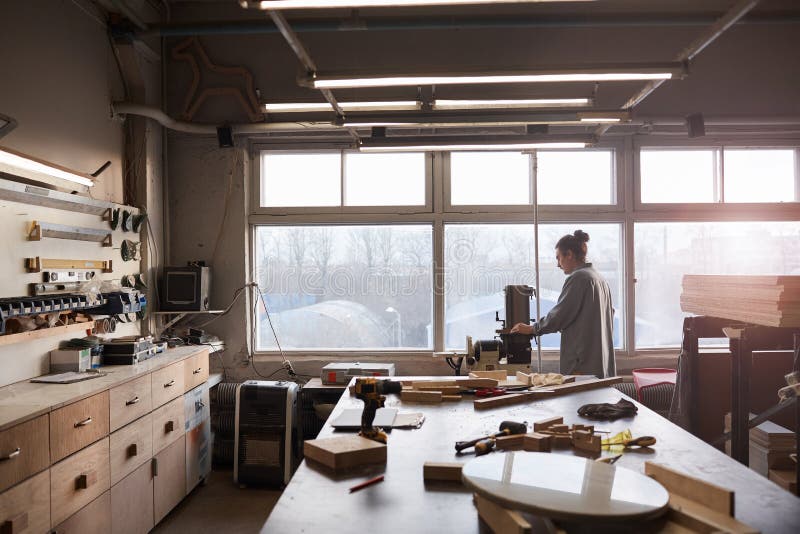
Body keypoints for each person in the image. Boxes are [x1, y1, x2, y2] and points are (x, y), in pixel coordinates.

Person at [510, 230, 616, 378]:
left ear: (569, 254)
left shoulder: (578, 278)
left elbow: (559, 316)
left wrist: (532, 329)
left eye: (559, 258)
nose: (558, 264)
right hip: (600, 365)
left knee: (581, 401)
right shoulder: (600, 279)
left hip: (581, 365)